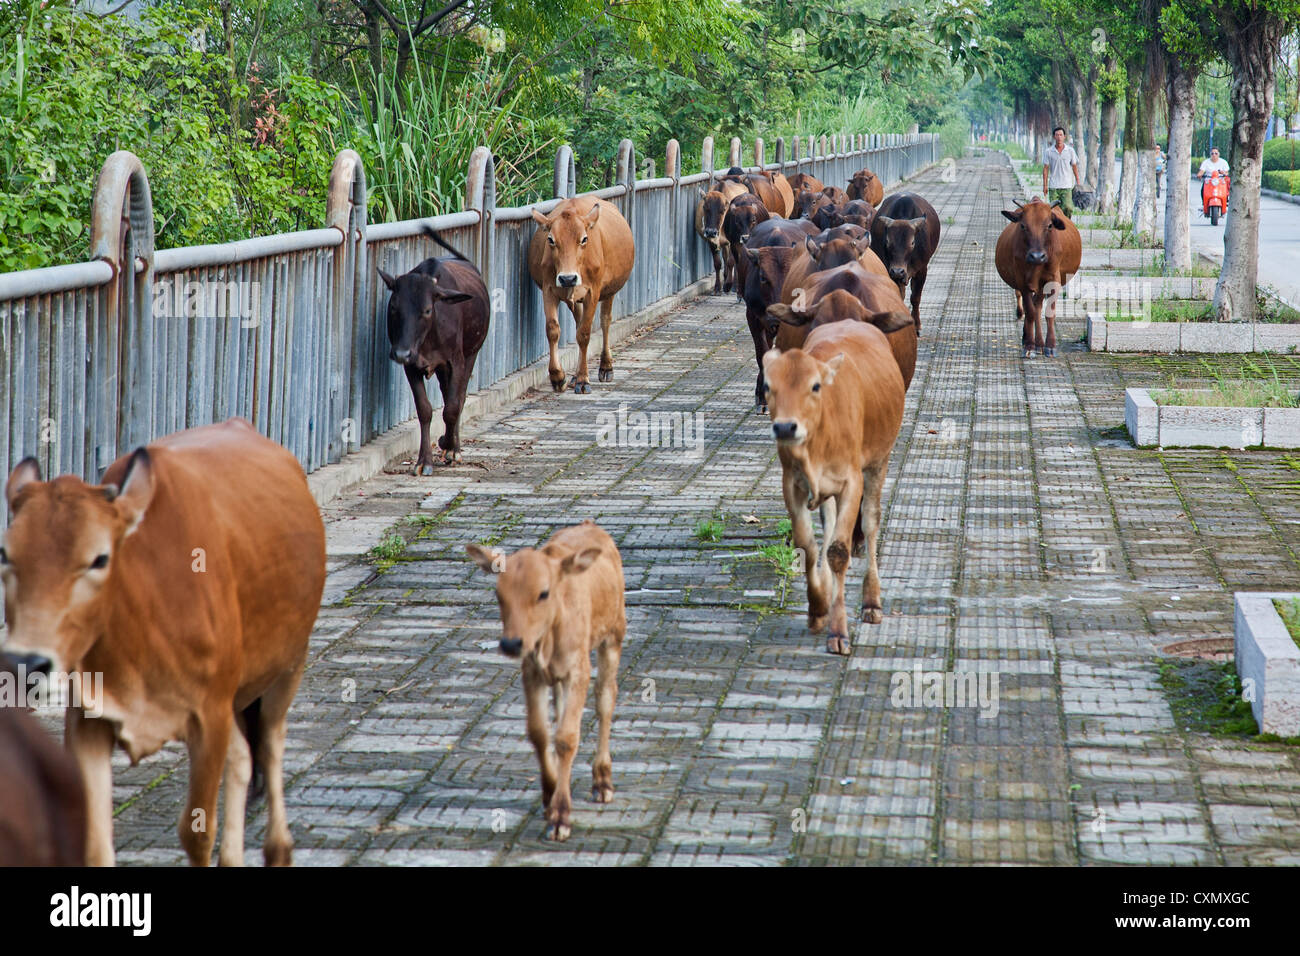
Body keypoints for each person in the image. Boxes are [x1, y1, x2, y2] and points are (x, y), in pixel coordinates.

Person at [1042, 126, 1080, 217]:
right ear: (1054, 137)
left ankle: (1066, 224)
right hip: (1053, 186)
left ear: (1064, 137)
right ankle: (1055, 228)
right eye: (1057, 135)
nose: (1059, 137)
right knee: (1054, 210)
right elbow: (1045, 169)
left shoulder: (1070, 151)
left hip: (1066, 186)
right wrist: (1045, 185)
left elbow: (1074, 166)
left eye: (1061, 135)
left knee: (1068, 208)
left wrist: (1078, 181)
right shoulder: (1049, 152)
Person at [1198, 146, 1230, 215]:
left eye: (1216, 153)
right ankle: (1204, 203)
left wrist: (1223, 173)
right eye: (1212, 153)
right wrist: (1200, 174)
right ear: (1210, 154)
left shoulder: (1223, 162)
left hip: (1220, 181)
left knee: (1226, 191)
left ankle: (1226, 201)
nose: (1214, 155)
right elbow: (1201, 171)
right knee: (1202, 190)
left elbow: (1227, 173)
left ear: (1219, 154)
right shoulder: (1206, 162)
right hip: (1209, 181)